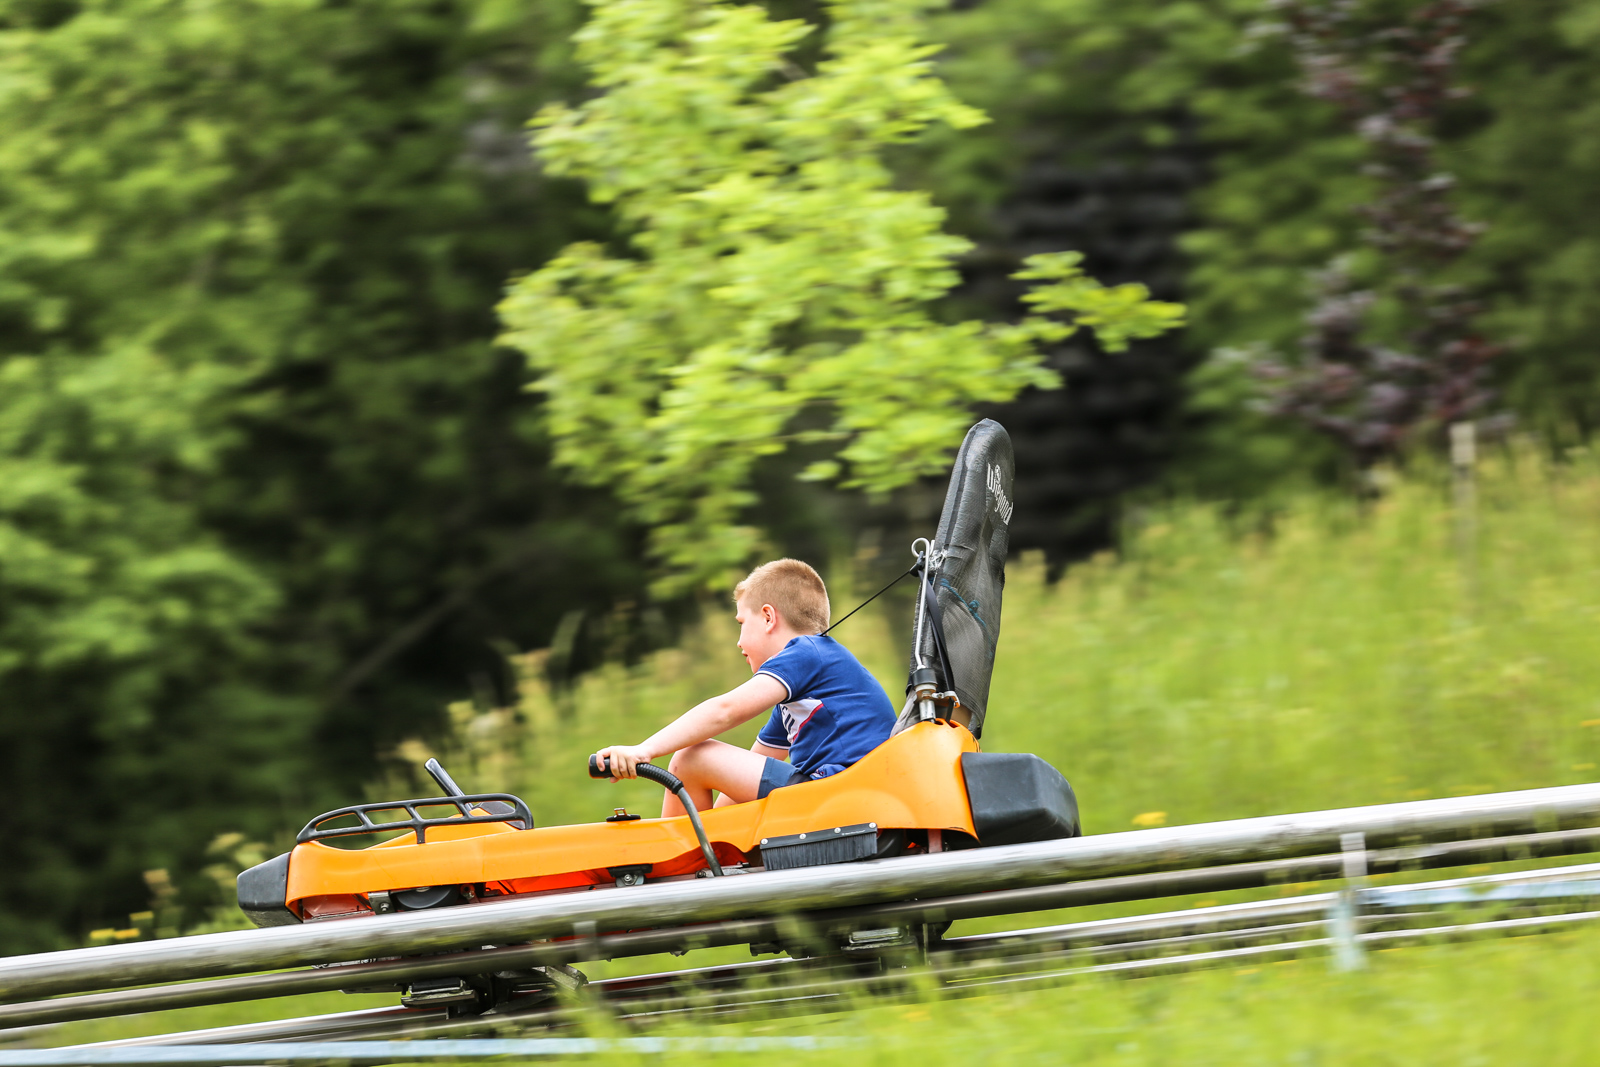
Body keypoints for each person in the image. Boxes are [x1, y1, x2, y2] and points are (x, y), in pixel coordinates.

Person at [592, 558, 896, 816]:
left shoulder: (808, 652)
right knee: (703, 779)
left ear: (767, 617)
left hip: (843, 797)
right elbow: (742, 784)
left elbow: (725, 711)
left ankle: (671, 864)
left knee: (691, 757)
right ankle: (689, 859)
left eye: (741, 623)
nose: (738, 641)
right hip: (834, 795)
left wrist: (643, 751)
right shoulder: (798, 700)